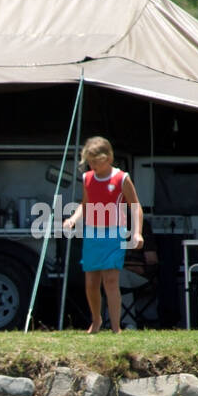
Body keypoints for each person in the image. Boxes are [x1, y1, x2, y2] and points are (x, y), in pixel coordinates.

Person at [63, 136, 144, 333]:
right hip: (92, 234)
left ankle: (116, 327)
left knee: (110, 280)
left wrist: (137, 233)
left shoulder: (121, 178)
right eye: (89, 162)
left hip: (115, 234)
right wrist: (73, 219)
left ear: (108, 158)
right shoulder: (88, 178)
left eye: (95, 162)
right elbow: (85, 205)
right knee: (91, 282)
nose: (92, 166)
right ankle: (97, 320)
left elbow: (135, 206)